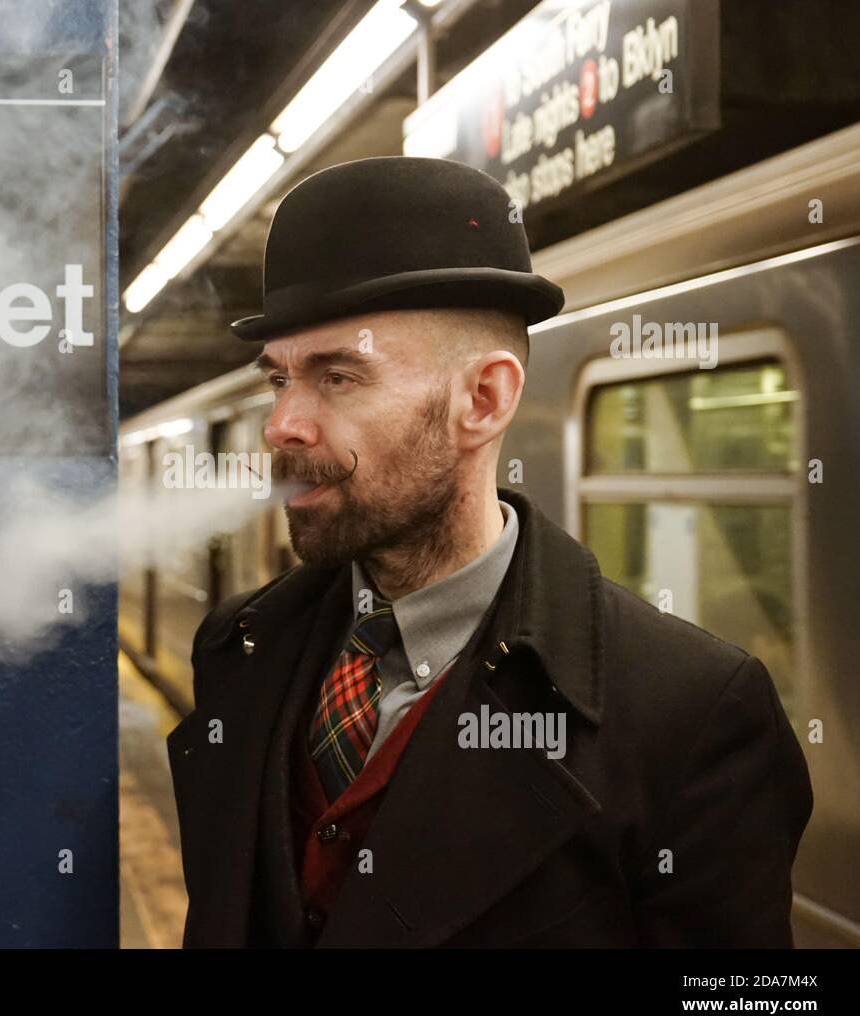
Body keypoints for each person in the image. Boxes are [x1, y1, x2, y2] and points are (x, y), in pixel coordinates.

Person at [166, 156, 813, 948]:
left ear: (483, 399)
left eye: (337, 377)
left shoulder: (694, 715)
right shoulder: (239, 646)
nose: (282, 425)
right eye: (278, 381)